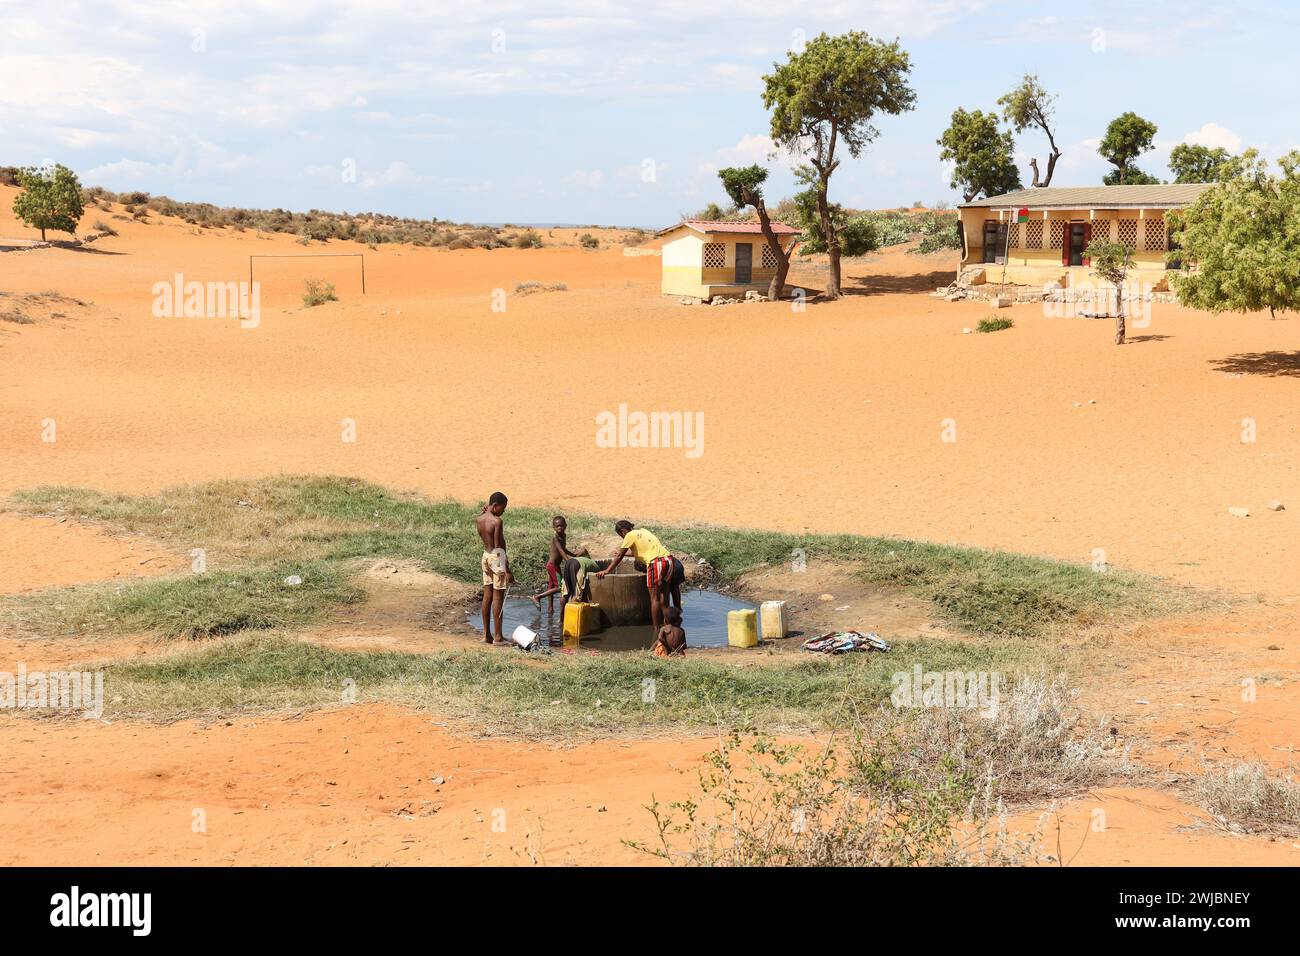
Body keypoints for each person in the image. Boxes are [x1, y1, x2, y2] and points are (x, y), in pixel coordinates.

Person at [595, 520, 684, 632]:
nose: (622, 538)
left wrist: (607, 570)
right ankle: (668, 625)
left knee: (654, 599)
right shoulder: (643, 531)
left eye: (620, 536)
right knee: (663, 596)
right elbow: (642, 550)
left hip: (655, 563)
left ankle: (656, 630)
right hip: (669, 560)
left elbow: (619, 556)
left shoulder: (629, 535)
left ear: (622, 531)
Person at [476, 492, 513, 644]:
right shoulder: (497, 522)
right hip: (496, 557)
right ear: (496, 506)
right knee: (498, 597)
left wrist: (486, 512)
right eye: (503, 508)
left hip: (485, 556)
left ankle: (486, 635)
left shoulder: (479, 519)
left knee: (487, 596)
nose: (503, 511)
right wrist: (507, 570)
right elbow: (498, 547)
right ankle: (498, 637)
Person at [531, 516, 588, 614]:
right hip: (552, 566)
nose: (560, 528)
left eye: (561, 526)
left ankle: (550, 609)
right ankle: (537, 597)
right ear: (553, 527)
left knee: (551, 586)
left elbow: (564, 549)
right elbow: (561, 552)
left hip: (554, 566)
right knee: (559, 587)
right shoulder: (555, 538)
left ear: (565, 526)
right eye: (557, 526)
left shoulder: (563, 536)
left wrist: (573, 555)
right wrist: (569, 561)